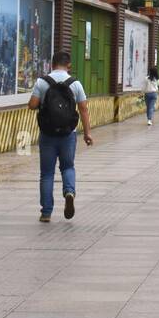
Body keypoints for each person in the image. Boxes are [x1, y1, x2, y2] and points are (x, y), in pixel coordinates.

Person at [27, 51, 93, 223]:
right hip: (68, 134)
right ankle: (69, 192)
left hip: (47, 134)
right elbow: (84, 110)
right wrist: (87, 133)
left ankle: (46, 212)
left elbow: (32, 105)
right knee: (68, 167)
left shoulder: (42, 82)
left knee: (47, 174)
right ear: (68, 65)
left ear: (52, 64)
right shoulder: (75, 83)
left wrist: (42, 101)